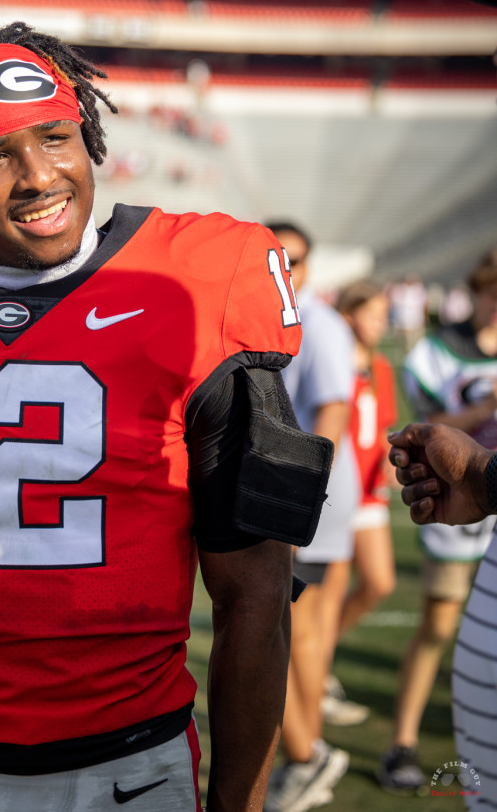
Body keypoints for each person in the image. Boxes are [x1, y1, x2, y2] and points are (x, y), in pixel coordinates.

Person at [0, 22, 332, 812]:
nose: (39, 176)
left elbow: (256, 592)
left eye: (56, 137)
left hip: (131, 772)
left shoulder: (196, 288)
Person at [378, 247, 497, 793]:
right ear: (476, 291)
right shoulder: (437, 351)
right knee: (440, 626)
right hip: (462, 504)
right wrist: (484, 408)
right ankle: (402, 739)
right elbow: (428, 428)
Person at [262, 224, 356, 812]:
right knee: (302, 639)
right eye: (273, 259)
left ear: (310, 266)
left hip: (304, 504)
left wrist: (297, 501)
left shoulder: (318, 323)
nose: (284, 270)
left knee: (282, 641)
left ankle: (305, 756)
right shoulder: (286, 317)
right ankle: (308, 749)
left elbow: (334, 412)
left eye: (292, 260)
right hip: (303, 500)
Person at [320, 281, 397, 727]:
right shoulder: (333, 362)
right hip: (334, 491)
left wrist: (389, 460)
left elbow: (381, 426)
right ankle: (317, 671)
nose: (379, 324)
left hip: (370, 490)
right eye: (372, 314)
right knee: (327, 593)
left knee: (380, 582)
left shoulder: (381, 366)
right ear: (347, 316)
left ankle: (318, 654)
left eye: (383, 316)